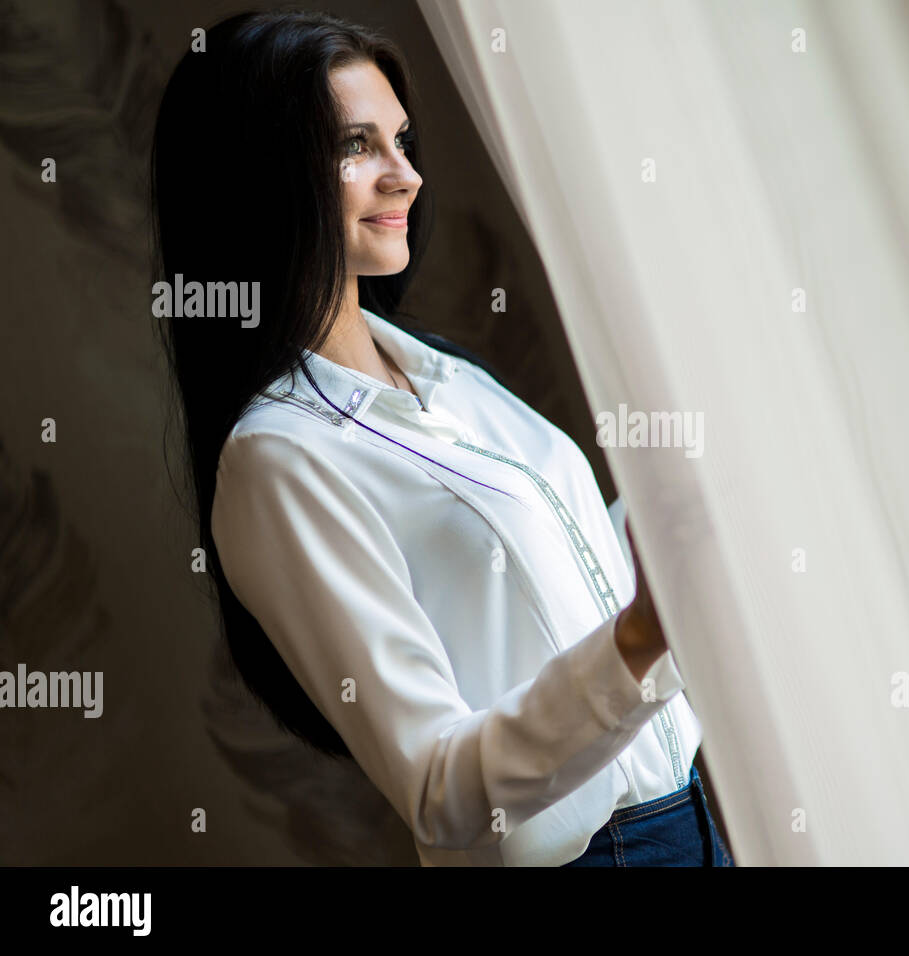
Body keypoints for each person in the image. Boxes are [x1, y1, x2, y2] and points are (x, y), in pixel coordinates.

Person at [149, 9, 733, 866]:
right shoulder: (279, 459)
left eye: (403, 139)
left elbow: (559, 592)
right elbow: (439, 792)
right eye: (359, 146)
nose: (408, 175)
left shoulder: (442, 374)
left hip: (693, 815)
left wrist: (670, 514)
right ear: (261, 175)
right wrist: (644, 637)